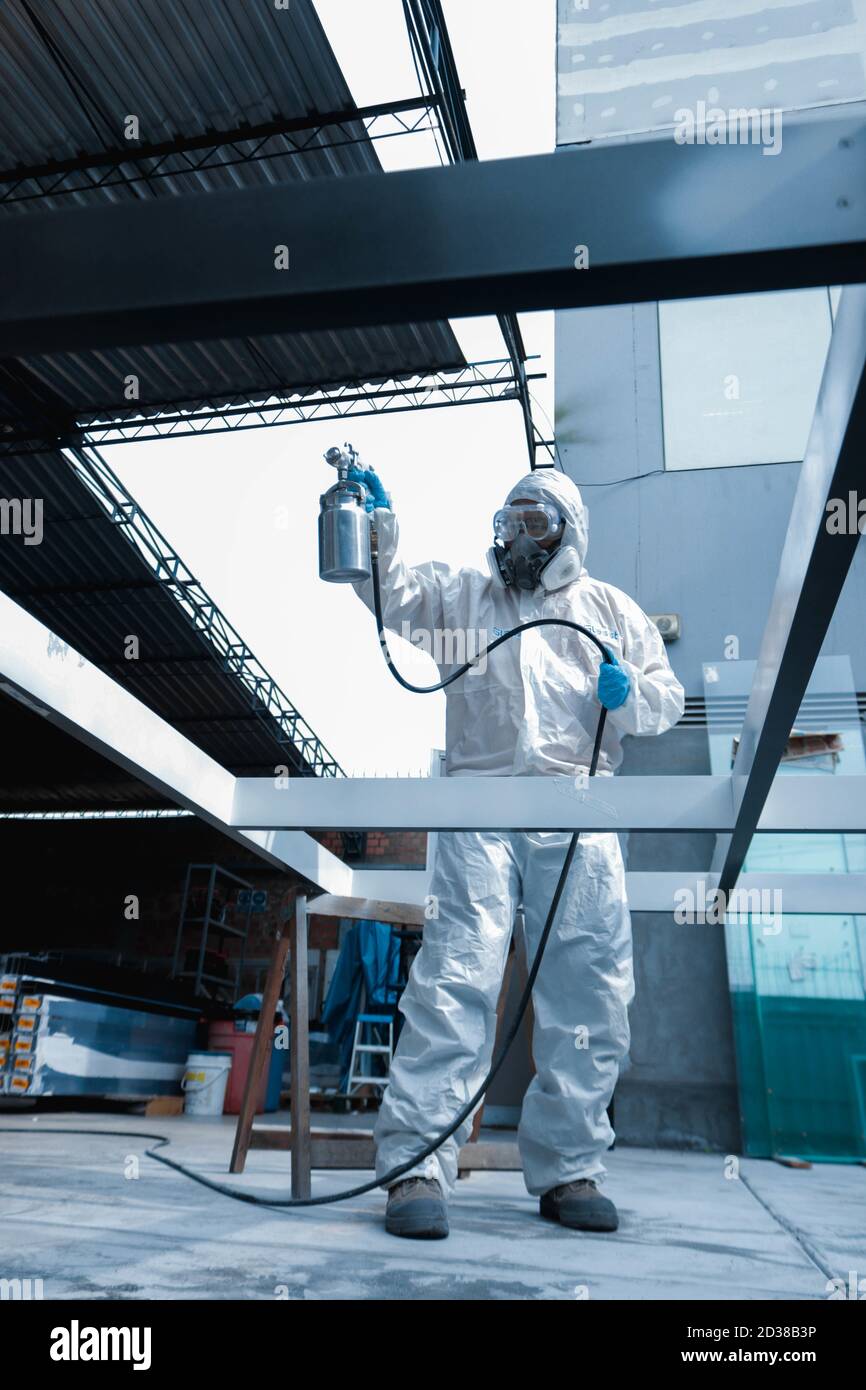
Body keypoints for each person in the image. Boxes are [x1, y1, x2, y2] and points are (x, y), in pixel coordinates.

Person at [350, 464, 685, 1239]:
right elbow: (391, 593)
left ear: (569, 531)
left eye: (535, 522)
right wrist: (375, 529)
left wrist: (626, 689)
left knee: (590, 988)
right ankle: (415, 1171)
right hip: (479, 804)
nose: (517, 537)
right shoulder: (464, 598)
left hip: (578, 807)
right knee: (455, 977)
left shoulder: (609, 609)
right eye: (509, 521)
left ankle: (570, 1168)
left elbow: (664, 699)